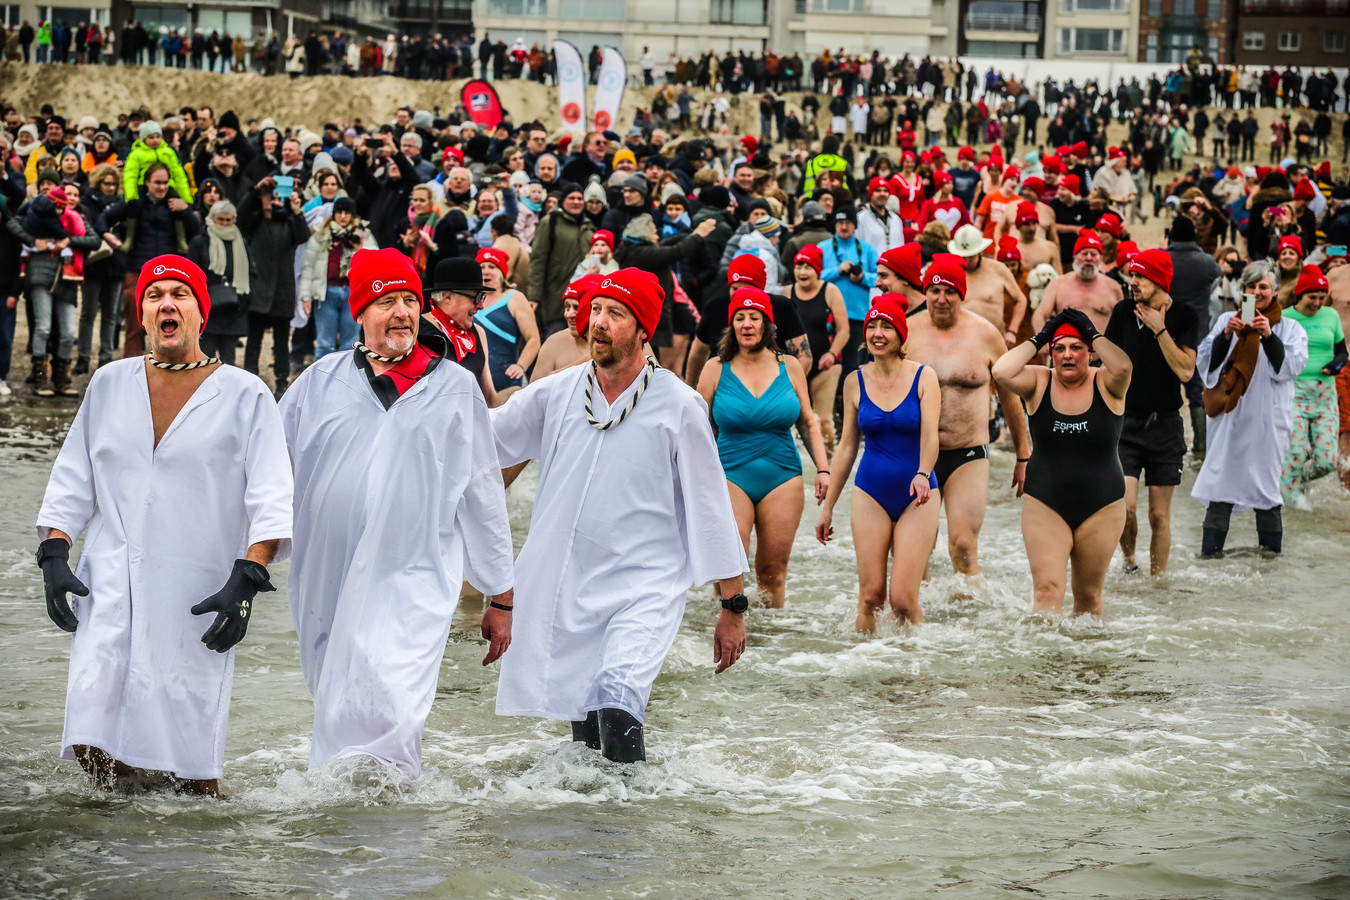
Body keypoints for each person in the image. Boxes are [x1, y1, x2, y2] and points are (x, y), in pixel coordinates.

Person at [35, 255, 293, 794]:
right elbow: (72, 478)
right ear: (143, 315)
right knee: (90, 733)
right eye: (155, 296)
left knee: (189, 762)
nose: (167, 304)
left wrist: (248, 580)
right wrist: (54, 556)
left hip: (198, 590)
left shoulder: (246, 395)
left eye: (180, 294)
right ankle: (124, 839)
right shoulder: (109, 383)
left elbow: (272, 496)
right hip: (107, 581)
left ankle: (189, 848)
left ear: (201, 311)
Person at [489, 268, 749, 764]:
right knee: (584, 731)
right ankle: (589, 832)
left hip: (645, 587)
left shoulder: (679, 404)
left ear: (644, 328)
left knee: (616, 699)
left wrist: (732, 606)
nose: (598, 323)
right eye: (597, 310)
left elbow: (710, 508)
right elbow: (482, 442)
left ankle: (625, 833)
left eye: (616, 314)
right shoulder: (559, 391)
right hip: (575, 584)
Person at [279, 248, 515, 781]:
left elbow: (482, 494)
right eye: (387, 301)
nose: (402, 312)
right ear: (360, 313)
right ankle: (340, 841)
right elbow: (271, 470)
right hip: (327, 575)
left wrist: (501, 593)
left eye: (410, 299)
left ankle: (400, 833)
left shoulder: (454, 387)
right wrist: (248, 558)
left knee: (394, 702)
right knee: (336, 704)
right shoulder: (321, 382)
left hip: (414, 575)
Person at [993, 308, 1132, 617]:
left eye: (1076, 347)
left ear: (1090, 352)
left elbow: (1124, 366)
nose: (1067, 355)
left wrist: (1093, 332)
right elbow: (1002, 372)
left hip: (1102, 505)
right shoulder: (1039, 381)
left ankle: (1085, 665)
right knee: (1046, 592)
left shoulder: (1108, 383)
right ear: (1051, 353)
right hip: (1045, 502)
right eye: (1059, 348)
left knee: (1088, 598)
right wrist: (1040, 337)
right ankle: (1043, 664)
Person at [697, 286, 829, 608]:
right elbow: (695, 427)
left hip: (782, 474)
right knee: (731, 563)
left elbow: (809, 422)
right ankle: (727, 628)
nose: (747, 324)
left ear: (767, 324)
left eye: (754, 317)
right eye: (739, 318)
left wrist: (824, 469)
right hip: (730, 473)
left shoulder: (790, 367)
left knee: (772, 573)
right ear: (732, 326)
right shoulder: (716, 368)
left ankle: (770, 648)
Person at [816, 292, 940, 630]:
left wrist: (922, 473)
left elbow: (931, 437)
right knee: (871, 598)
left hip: (919, 492)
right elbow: (846, 448)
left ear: (901, 335)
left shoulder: (923, 376)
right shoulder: (854, 381)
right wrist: (828, 507)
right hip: (871, 491)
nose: (877, 333)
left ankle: (917, 664)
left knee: (902, 600)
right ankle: (864, 671)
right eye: (872, 326)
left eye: (886, 326)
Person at [904, 253, 1031, 579]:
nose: (941, 299)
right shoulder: (906, 332)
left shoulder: (986, 335)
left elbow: (1010, 398)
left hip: (968, 453)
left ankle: (971, 621)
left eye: (950, 291)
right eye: (934, 291)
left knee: (962, 546)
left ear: (962, 295)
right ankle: (920, 624)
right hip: (916, 457)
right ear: (925, 293)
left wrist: (1023, 455)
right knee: (918, 550)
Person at [1192, 260, 1310, 557]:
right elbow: (1208, 363)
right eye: (1251, 287)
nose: (1257, 292)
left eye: (1263, 287)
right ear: (1242, 290)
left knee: (1266, 489)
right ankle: (1209, 559)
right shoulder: (1226, 321)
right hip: (1231, 419)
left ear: (1274, 290)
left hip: (1267, 421)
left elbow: (1290, 367)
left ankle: (1270, 564)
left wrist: (1268, 335)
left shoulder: (1290, 327)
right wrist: (1227, 335)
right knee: (1220, 484)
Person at [1104, 249, 1199, 576]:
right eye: (1132, 275)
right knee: (1125, 508)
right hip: (1125, 425)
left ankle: (1158, 582)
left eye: (1140, 276)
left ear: (1159, 280)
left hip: (1165, 427)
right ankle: (1130, 563)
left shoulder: (1184, 315)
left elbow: (1187, 371)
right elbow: (1107, 361)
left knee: (1159, 516)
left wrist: (1160, 330)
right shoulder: (1122, 311)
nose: (1133, 282)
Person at [1280, 265, 1346, 500]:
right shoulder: (1286, 317)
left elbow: (1342, 353)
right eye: (1312, 297)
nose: (1318, 302)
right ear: (1300, 295)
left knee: (1326, 461)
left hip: (1324, 397)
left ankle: (1293, 481)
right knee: (1295, 454)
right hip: (1294, 394)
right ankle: (1285, 513)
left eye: (1321, 297)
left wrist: (1335, 366)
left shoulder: (1331, 316)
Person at [788, 245, 850, 453]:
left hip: (827, 364)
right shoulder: (785, 292)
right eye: (799, 267)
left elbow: (844, 330)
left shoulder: (830, 291)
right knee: (789, 420)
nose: (802, 272)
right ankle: (800, 466)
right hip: (795, 365)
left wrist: (832, 353)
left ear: (818, 270)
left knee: (824, 420)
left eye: (808, 267)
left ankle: (829, 467)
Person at [299, 196, 377, 361]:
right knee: (324, 343)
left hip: (354, 293)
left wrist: (360, 248)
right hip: (326, 292)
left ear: (352, 215)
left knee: (350, 344)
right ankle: (320, 382)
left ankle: (347, 382)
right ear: (333, 214)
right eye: (339, 212)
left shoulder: (363, 234)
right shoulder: (321, 234)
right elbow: (308, 267)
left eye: (347, 213)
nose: (343, 216)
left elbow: (375, 263)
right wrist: (306, 297)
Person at [422, 256, 497, 405]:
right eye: (476, 297)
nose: (481, 305)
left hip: (472, 424)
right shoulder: (417, 332)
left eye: (482, 296)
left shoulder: (478, 333)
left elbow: (488, 394)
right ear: (448, 297)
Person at [186, 200, 251, 365]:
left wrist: (244, 300)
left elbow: (251, 271)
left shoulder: (240, 241)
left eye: (229, 220)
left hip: (233, 308)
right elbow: (190, 275)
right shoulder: (199, 241)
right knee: (204, 361)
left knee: (229, 361)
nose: (225, 223)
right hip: (208, 309)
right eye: (221, 219)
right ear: (212, 218)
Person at [819, 206, 879, 375]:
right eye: (840, 223)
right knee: (829, 366)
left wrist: (863, 278)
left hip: (857, 317)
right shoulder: (823, 248)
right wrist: (837, 270)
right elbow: (814, 278)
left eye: (848, 223)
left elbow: (880, 278)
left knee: (854, 368)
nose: (844, 227)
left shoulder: (866, 249)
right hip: (828, 318)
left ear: (855, 226)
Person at [474, 246, 540, 396]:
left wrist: (521, 366)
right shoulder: (470, 299)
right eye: (481, 267)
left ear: (502, 273)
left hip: (507, 385)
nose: (486, 271)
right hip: (475, 385)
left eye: (492, 266)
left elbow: (534, 339)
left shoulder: (514, 297)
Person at [1032, 229, 1124, 335]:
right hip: (1067, 348)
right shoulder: (1058, 284)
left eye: (1093, 254)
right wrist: (1042, 341)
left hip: (1101, 350)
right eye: (1084, 253)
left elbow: (1123, 324)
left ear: (1100, 258)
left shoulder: (1113, 287)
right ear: (1075, 256)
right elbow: (1040, 314)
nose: (1089, 258)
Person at [532, 275, 600, 380]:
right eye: (567, 307)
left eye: (576, 308)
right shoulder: (554, 343)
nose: (569, 315)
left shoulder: (612, 345)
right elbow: (533, 392)